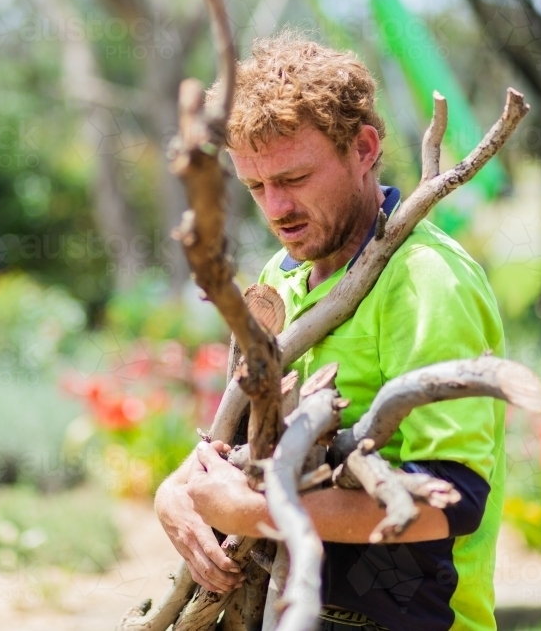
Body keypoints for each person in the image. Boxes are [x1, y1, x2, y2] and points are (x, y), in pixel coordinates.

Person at [153, 33, 506, 631]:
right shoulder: (277, 277)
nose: (276, 208)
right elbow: (239, 444)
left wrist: (261, 512)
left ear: (364, 148)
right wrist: (177, 492)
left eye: (294, 177)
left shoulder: (426, 281)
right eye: (256, 186)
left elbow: (452, 498)